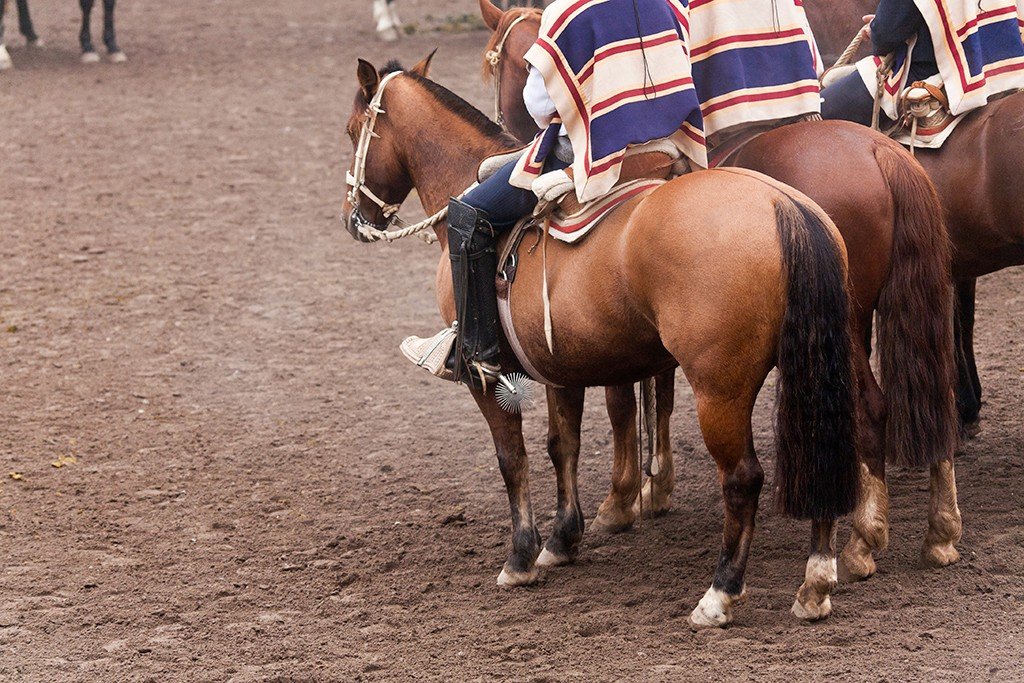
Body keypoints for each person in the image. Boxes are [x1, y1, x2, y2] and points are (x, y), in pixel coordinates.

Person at [402, 0, 707, 389]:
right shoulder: (669, 4)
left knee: (468, 213)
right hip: (665, 148)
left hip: (589, 153)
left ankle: (476, 351)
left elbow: (540, 106)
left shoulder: (568, 11)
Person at [820, 0, 1024, 126]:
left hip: (932, 71)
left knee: (821, 113)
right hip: (1007, 66)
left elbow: (886, 34)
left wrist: (877, 29)